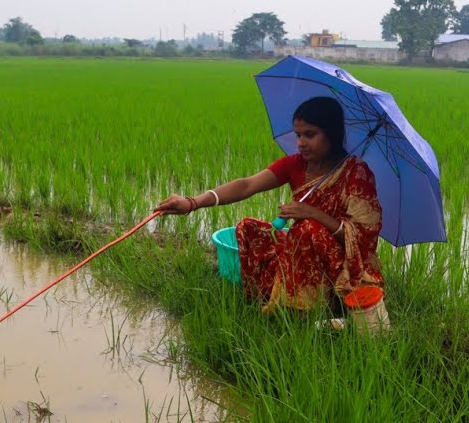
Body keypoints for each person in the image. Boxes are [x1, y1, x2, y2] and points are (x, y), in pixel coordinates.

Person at [154, 96, 384, 313]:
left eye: (310, 135)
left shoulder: (356, 174)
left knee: (308, 230)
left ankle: (313, 308)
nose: (301, 143)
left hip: (342, 262)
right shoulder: (296, 165)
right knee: (249, 228)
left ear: (332, 134)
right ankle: (271, 296)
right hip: (304, 249)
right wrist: (192, 202)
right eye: (298, 135)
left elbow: (363, 238)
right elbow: (246, 185)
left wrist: (313, 214)